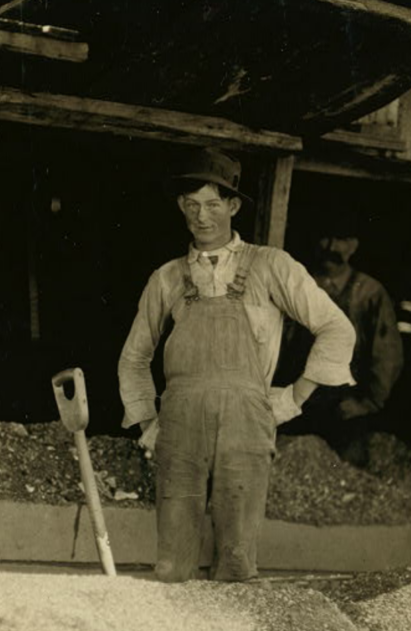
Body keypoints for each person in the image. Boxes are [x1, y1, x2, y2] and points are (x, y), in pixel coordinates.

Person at [117, 148, 357, 584]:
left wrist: (293, 397)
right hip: (180, 425)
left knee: (237, 559)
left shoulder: (270, 266)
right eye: (191, 205)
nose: (201, 217)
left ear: (233, 206)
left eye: (212, 204)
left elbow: (337, 328)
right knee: (172, 563)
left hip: (246, 423)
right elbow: (134, 357)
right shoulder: (167, 278)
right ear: (180, 207)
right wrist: (148, 421)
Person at [288, 219, 405, 467]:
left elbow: (388, 355)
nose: (331, 247)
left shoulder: (370, 294)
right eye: (325, 238)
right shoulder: (299, 285)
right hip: (299, 403)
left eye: (340, 240)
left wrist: (368, 402)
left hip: (346, 410)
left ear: (353, 246)